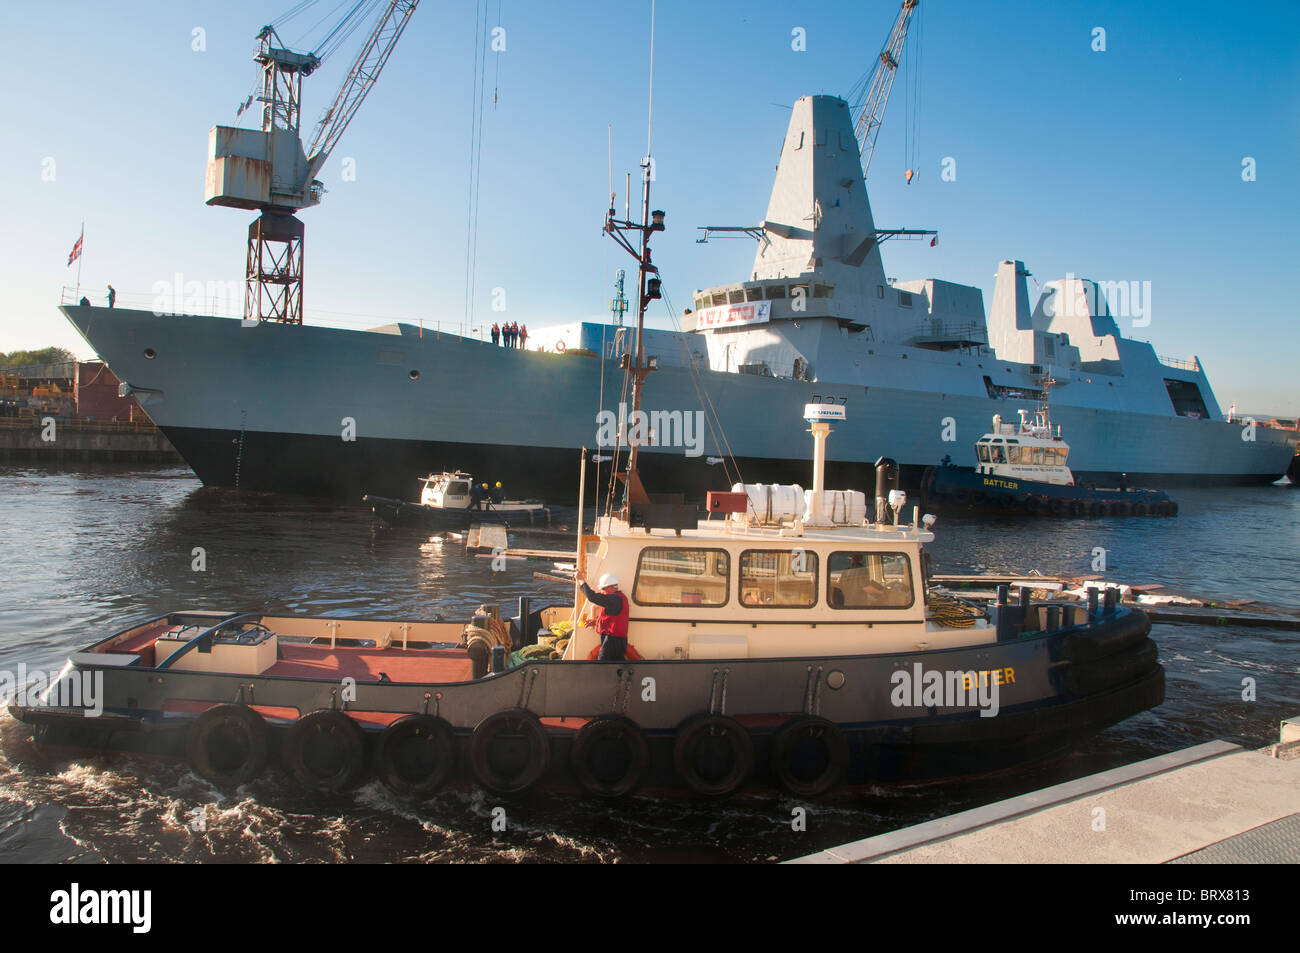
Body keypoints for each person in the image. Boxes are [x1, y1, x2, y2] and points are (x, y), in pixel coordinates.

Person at [576, 571, 629, 660]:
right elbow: (614, 618)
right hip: (616, 641)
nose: (602, 592)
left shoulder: (614, 599)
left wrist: (581, 580)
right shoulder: (618, 598)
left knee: (604, 664)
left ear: (610, 587)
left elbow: (592, 597)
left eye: (603, 589)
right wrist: (596, 622)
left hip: (613, 641)